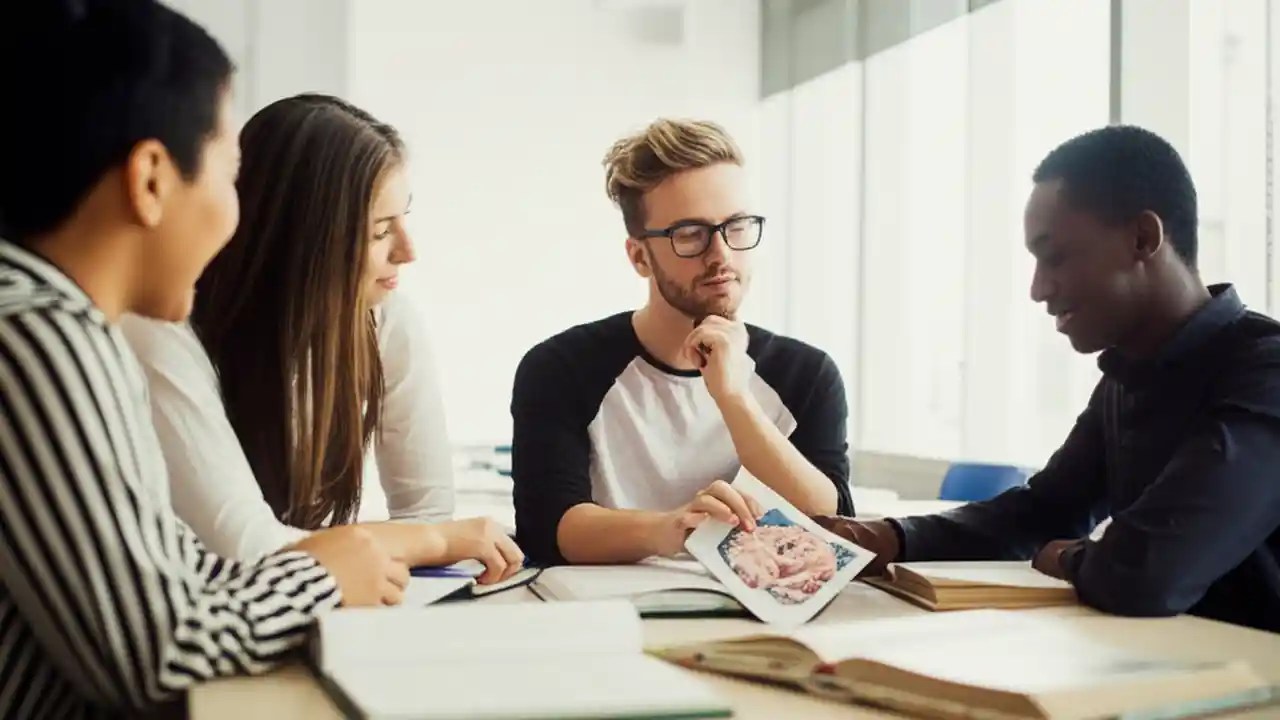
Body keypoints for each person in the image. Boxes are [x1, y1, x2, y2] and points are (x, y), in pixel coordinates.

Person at [0, 2, 409, 717]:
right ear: (152, 178)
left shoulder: (56, 324)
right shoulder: (40, 335)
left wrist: (309, 566)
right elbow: (152, 650)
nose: (237, 214)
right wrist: (316, 578)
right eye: (230, 172)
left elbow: (162, 570)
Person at [817, 125, 1280, 633]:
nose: (1039, 289)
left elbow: (1148, 570)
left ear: (1143, 239)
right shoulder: (1127, 377)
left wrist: (1066, 559)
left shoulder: (1265, 371)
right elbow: (1044, 512)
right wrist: (886, 537)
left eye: (1055, 257)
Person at [120, 94, 523, 583]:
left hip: (303, 607)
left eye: (404, 218)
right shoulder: (165, 333)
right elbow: (246, 548)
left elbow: (426, 512)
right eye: (379, 233)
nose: (408, 251)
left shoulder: (386, 319)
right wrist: (434, 540)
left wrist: (429, 540)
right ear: (304, 241)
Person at [512, 119, 853, 566]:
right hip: (608, 617)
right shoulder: (559, 368)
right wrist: (668, 529)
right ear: (639, 257)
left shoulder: (807, 374)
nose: (722, 256)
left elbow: (834, 523)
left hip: (759, 621)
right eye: (690, 234)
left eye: (737, 225)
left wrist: (733, 397)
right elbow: (547, 530)